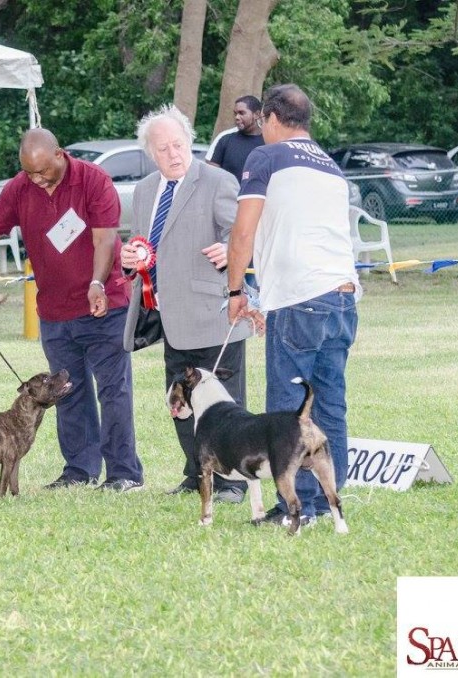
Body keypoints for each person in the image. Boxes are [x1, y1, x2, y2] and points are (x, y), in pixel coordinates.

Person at [0, 128, 144, 492]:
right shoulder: (20, 188)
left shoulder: (93, 180)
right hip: (55, 311)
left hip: (104, 305)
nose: (37, 179)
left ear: (60, 154)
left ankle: (124, 473)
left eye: (43, 171)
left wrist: (97, 283)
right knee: (65, 393)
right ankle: (79, 471)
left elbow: (105, 238)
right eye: (29, 172)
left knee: (113, 391)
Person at [226, 84, 360, 528]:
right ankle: (328, 502)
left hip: (300, 297)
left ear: (270, 118)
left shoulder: (266, 157)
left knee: (287, 411)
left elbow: (243, 232)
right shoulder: (331, 165)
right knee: (329, 405)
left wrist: (235, 292)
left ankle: (295, 508)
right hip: (342, 296)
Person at [121, 104, 252, 501]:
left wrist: (230, 249)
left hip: (213, 314)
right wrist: (129, 258)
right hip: (169, 317)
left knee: (224, 405)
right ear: (151, 153)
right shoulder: (144, 191)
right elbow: (142, 246)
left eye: (178, 144)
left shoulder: (218, 181)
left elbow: (243, 233)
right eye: (163, 149)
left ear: (189, 142)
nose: (173, 154)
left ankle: (232, 481)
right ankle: (196, 473)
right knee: (180, 402)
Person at [208, 95, 264, 184]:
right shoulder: (225, 140)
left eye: (242, 113)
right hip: (227, 192)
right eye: (235, 113)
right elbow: (211, 173)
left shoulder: (268, 142)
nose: (237, 117)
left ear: (256, 114)